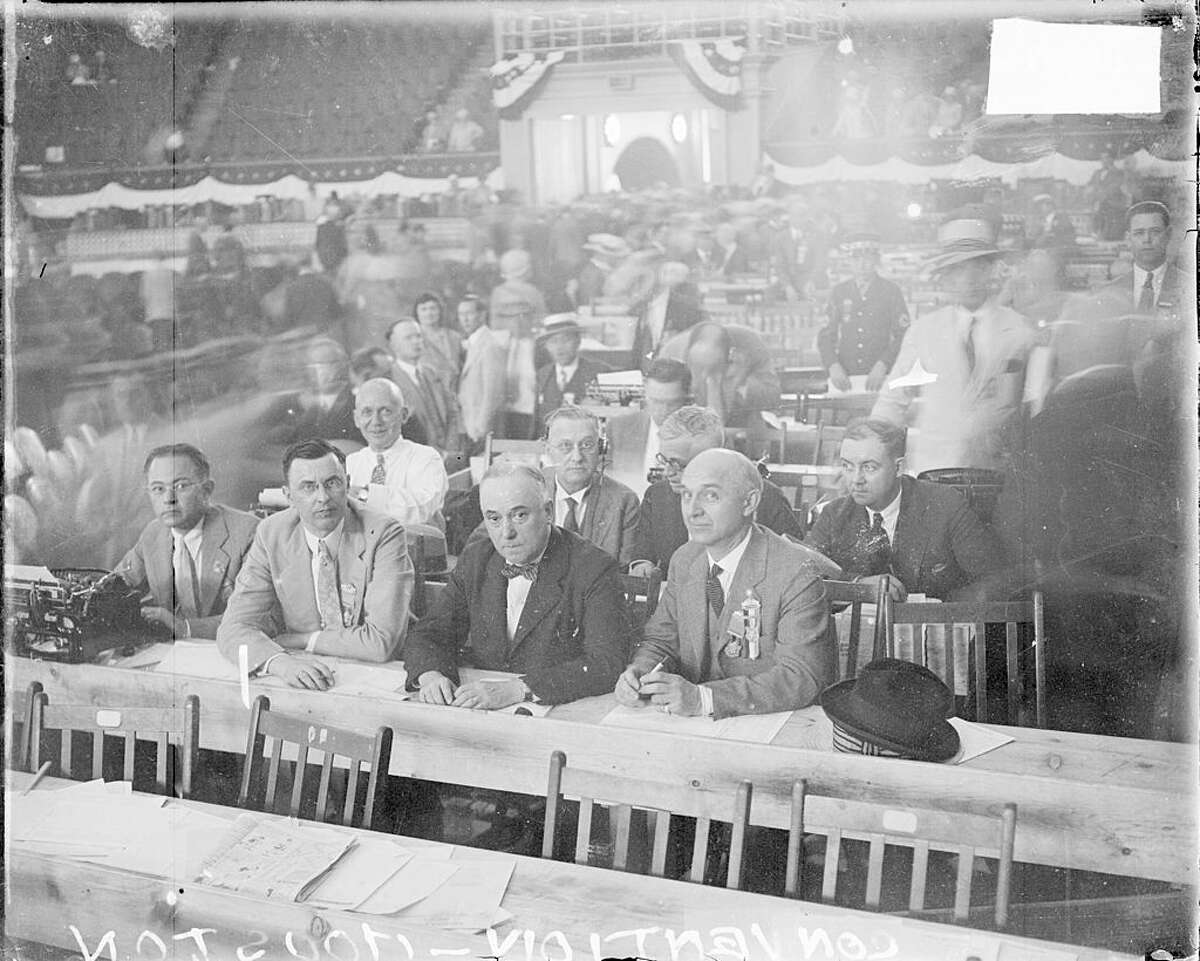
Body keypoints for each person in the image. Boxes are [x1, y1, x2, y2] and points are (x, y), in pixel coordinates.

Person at [614, 449, 837, 718]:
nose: (693, 511)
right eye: (686, 495)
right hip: (690, 727)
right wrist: (641, 671)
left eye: (710, 496)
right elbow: (662, 640)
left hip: (765, 724)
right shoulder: (685, 559)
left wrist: (704, 699)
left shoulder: (794, 571)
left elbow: (801, 676)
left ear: (749, 502)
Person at [403, 462, 632, 707]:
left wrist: (518, 690)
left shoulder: (595, 568)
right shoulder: (477, 558)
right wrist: (431, 675)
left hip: (558, 710)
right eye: (494, 518)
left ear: (548, 511)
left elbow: (605, 663)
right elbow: (430, 632)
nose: (506, 532)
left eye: (519, 515)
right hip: (482, 709)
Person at [216, 439, 413, 686]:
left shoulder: (383, 532)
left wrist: (301, 640)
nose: (323, 497)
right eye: (308, 487)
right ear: (288, 496)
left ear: (348, 484)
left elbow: (381, 643)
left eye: (332, 483)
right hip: (302, 669)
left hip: (377, 676)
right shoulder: (271, 533)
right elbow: (233, 627)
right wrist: (279, 662)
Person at [871, 205, 1034, 473]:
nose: (968, 279)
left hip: (997, 473)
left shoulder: (1019, 331)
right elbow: (892, 401)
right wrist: (872, 454)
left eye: (977, 267)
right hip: (934, 471)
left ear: (991, 270)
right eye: (958, 269)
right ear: (944, 276)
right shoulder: (924, 332)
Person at [803, 419, 1007, 600]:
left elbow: (992, 579)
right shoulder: (834, 514)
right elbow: (804, 575)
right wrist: (858, 585)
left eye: (869, 467)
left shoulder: (945, 505)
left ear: (898, 468)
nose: (856, 480)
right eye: (848, 466)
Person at [630, 406, 805, 575]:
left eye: (678, 464)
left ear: (714, 457)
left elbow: (796, 564)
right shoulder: (658, 495)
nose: (668, 472)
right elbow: (642, 554)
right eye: (663, 460)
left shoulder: (766, 497)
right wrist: (642, 565)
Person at [115, 444, 259, 640]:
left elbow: (255, 616)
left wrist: (185, 628)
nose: (168, 499)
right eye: (158, 488)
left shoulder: (248, 532)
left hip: (231, 649)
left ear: (207, 490)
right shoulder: (153, 534)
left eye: (181, 486)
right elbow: (117, 584)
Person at [541, 405, 641, 568]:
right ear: (548, 450)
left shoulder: (624, 501)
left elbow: (622, 574)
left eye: (587, 445)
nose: (577, 457)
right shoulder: (527, 490)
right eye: (565, 446)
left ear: (601, 449)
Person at [346, 378, 448, 533]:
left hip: (412, 552)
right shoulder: (351, 463)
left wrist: (364, 494)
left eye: (385, 411)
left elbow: (422, 508)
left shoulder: (426, 457)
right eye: (367, 412)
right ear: (356, 419)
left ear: (404, 415)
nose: (376, 422)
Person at [818, 234, 909, 393]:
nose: (862, 264)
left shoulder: (891, 291)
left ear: (876, 260)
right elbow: (825, 336)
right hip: (845, 377)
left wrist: (883, 364)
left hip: (881, 376)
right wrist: (833, 365)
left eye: (867, 259)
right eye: (856, 259)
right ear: (850, 261)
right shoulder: (839, 292)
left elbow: (904, 335)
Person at [657, 321, 781, 435]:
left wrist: (739, 379)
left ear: (728, 358)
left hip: (746, 435)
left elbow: (773, 397)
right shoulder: (670, 354)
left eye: (712, 369)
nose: (705, 376)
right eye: (699, 368)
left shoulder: (749, 344)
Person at [605, 358, 691, 496]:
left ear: (686, 397)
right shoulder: (618, 428)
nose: (662, 411)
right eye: (655, 401)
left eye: (672, 403)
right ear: (645, 392)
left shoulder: (701, 435)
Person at [489, 249, 546, 438]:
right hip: (526, 347)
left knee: (505, 393)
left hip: (502, 348)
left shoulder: (497, 293)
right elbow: (541, 322)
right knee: (527, 392)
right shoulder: (533, 292)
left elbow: (493, 325)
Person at [261, 338, 359, 446]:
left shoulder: (358, 401)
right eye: (315, 365)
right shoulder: (297, 405)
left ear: (344, 364)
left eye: (328, 363)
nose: (320, 370)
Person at [387, 317, 461, 457]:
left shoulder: (431, 373)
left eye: (419, 336)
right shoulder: (390, 382)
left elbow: (452, 413)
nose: (416, 341)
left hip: (448, 456)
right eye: (408, 338)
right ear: (393, 344)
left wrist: (450, 451)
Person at [533, 314, 609, 424]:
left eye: (565, 340)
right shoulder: (542, 375)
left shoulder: (599, 372)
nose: (559, 347)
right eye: (553, 341)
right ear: (546, 346)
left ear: (578, 341)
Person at [456, 295, 508, 454]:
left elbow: (493, 393)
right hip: (471, 425)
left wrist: (481, 427)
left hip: (482, 428)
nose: (465, 319)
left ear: (482, 315)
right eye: (461, 314)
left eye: (469, 313)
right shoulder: (472, 343)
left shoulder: (489, 345)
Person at [412, 291, 463, 394]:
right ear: (417, 313)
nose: (429, 313)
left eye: (433, 308)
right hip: (427, 392)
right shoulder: (414, 339)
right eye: (423, 309)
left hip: (455, 392)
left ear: (440, 310)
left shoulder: (454, 337)